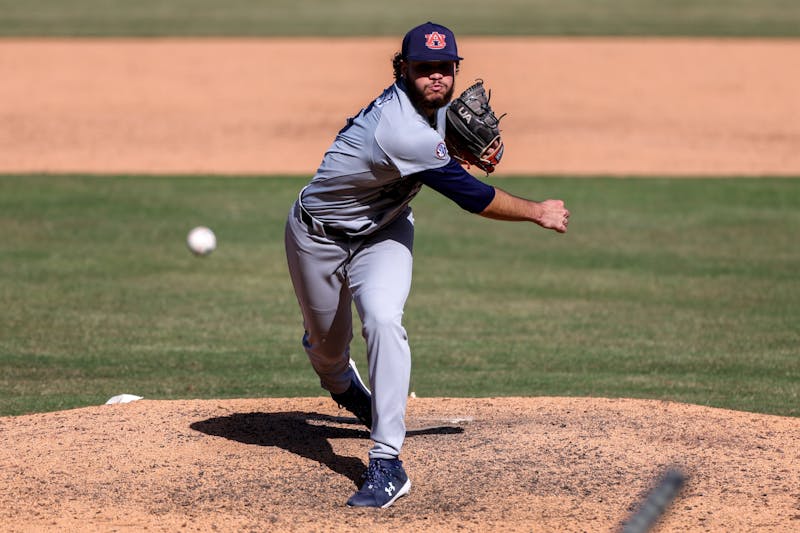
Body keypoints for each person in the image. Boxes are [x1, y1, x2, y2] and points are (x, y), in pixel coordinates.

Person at [284, 21, 570, 509]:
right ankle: (345, 386)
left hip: (384, 232)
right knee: (328, 353)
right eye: (424, 68)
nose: (436, 76)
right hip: (316, 238)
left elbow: (440, 152)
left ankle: (387, 462)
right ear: (403, 69)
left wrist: (448, 147)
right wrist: (537, 211)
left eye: (445, 67)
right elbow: (472, 197)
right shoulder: (401, 129)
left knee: (383, 319)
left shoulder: (433, 114)